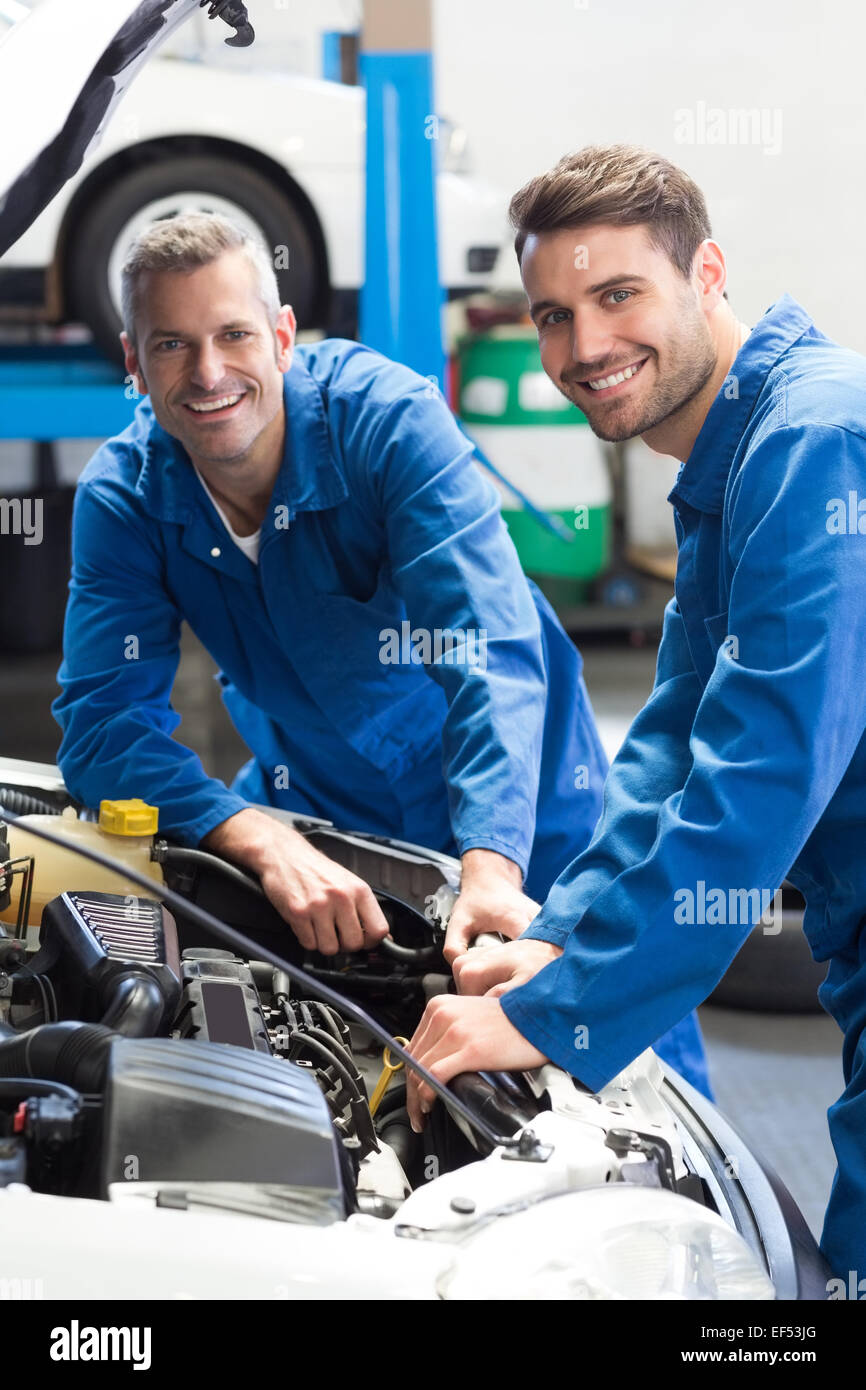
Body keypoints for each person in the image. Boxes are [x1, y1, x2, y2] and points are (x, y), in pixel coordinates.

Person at [52, 210, 710, 1092]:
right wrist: (254, 839)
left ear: (282, 336)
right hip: (323, 810)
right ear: (135, 365)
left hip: (525, 807)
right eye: (172, 345)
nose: (209, 373)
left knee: (629, 1066)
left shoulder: (387, 424)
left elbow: (487, 650)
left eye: (235, 334)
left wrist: (491, 866)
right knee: (348, 1050)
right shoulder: (125, 498)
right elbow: (100, 726)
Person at [405, 142, 866, 1280]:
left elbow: (754, 778)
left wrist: (555, 1014)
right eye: (553, 314)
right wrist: (560, 936)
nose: (584, 347)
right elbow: (668, 745)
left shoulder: (811, 443)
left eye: (618, 296)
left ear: (705, 272)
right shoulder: (734, 455)